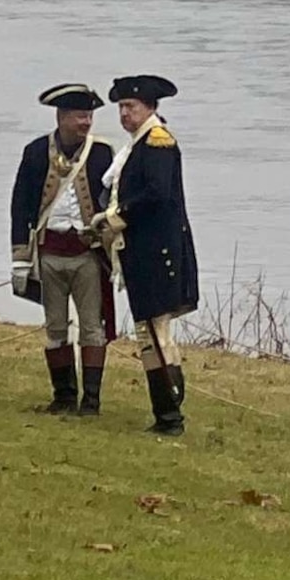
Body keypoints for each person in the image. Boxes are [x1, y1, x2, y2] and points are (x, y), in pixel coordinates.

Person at [90, 75, 199, 435]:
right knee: (148, 332)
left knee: (154, 332)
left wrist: (113, 218)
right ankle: (166, 410)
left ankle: (170, 415)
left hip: (157, 251)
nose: (124, 114)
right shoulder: (139, 143)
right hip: (142, 251)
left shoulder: (157, 142)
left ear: (150, 108)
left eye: (131, 107)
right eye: (121, 107)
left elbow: (156, 194)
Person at [10, 83, 117, 414]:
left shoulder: (102, 154)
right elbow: (21, 206)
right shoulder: (35, 151)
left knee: (92, 328)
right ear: (61, 117)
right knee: (55, 327)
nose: (86, 123)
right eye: (79, 116)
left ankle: (92, 401)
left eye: (89, 116)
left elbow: (114, 203)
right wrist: (19, 260)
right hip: (49, 253)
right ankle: (64, 396)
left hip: (87, 255)